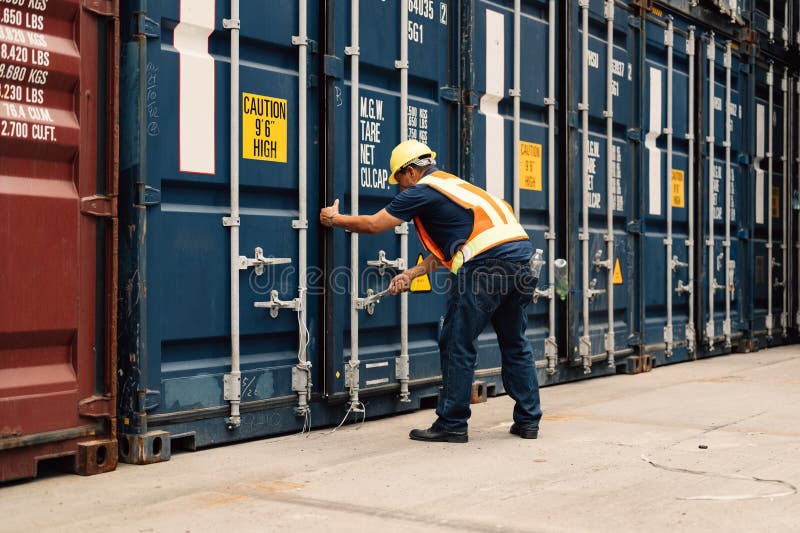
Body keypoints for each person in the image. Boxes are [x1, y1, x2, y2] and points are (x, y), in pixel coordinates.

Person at [319, 139, 542, 443]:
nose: (400, 188)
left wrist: (334, 219)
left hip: (488, 267)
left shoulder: (423, 190)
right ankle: (529, 421)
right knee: (514, 341)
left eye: (399, 180)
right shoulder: (458, 188)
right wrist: (411, 273)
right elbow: (456, 250)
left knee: (456, 342)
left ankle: (452, 423)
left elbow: (373, 224)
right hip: (523, 264)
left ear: (410, 171)